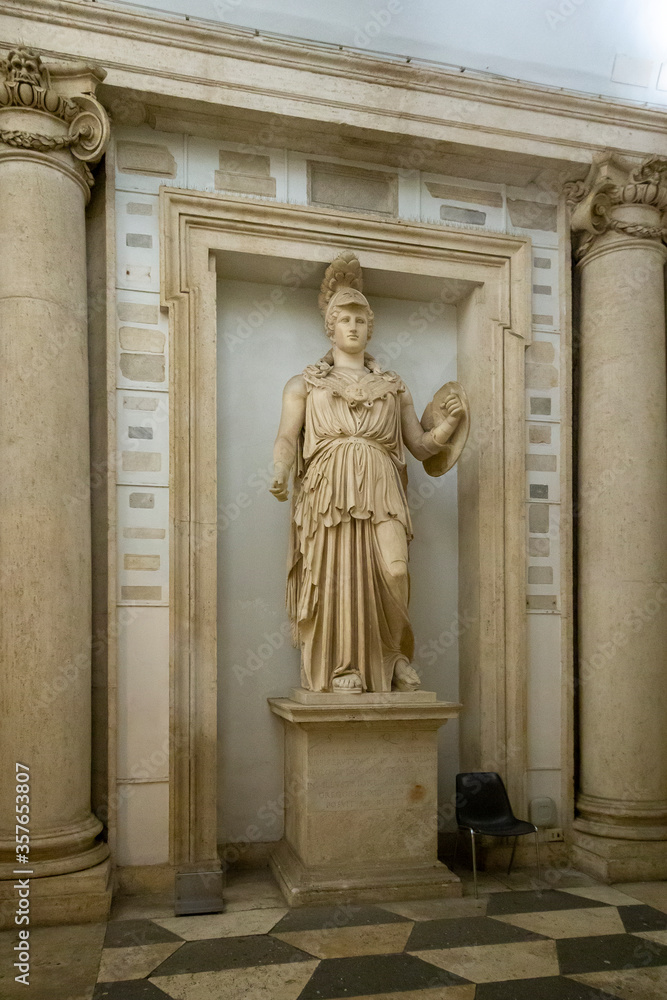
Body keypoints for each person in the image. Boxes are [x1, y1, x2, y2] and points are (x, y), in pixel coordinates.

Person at [270, 251, 466, 693]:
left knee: (394, 571)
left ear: (370, 327)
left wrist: (450, 423)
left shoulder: (393, 386)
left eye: (361, 319)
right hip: (328, 492)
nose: (353, 326)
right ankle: (343, 667)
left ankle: (392, 656)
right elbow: (286, 436)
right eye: (345, 319)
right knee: (337, 579)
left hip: (382, 486)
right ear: (331, 327)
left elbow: (420, 445)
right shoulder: (304, 384)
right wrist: (280, 469)